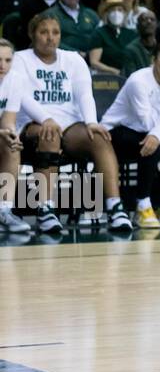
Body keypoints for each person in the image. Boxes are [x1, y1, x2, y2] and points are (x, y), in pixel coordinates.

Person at [0, 14, 132, 233]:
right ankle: (45, 208)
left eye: (55, 32)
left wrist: (91, 122)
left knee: (99, 136)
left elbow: (84, 94)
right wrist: (46, 119)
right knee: (49, 134)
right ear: (32, 35)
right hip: (31, 122)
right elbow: (21, 96)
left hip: (69, 124)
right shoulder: (18, 59)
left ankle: (115, 207)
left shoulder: (73, 59)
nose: (50, 38)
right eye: (44, 32)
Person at [100, 41, 160, 228]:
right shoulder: (138, 81)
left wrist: (157, 134)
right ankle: (142, 206)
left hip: (146, 131)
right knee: (151, 143)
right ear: (154, 60)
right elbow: (147, 122)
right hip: (114, 133)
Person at [0, 39, 34, 234]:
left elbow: (8, 120)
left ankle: (4, 210)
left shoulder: (15, 79)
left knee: (12, 145)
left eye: (7, 60)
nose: (2, 65)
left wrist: (11, 135)